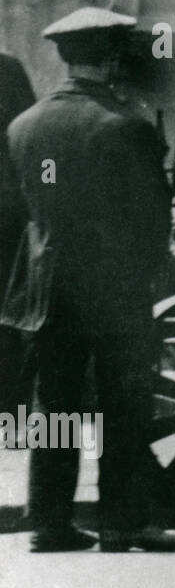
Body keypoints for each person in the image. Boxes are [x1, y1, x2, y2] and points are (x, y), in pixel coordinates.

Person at [1, 8, 175, 553]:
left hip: (45, 287)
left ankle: (49, 521)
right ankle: (124, 522)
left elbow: (21, 206)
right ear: (111, 56)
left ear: (65, 57)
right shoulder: (124, 125)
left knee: (54, 404)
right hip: (113, 287)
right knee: (125, 403)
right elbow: (154, 219)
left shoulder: (24, 125)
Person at [0, 54, 36, 424]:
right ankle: (10, 410)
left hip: (7, 211)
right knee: (8, 316)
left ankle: (10, 407)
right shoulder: (9, 68)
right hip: (9, 208)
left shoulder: (8, 68)